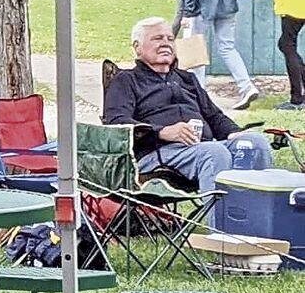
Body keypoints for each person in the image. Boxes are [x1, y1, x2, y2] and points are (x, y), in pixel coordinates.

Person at [103, 17, 273, 192]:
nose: (166, 43)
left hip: (201, 147)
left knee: (255, 144)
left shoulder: (186, 78)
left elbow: (213, 115)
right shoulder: (127, 80)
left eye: (170, 39)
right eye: (157, 38)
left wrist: (234, 132)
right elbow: (116, 122)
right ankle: (223, 219)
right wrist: (162, 132)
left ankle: (254, 214)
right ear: (137, 47)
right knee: (214, 153)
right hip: (158, 153)